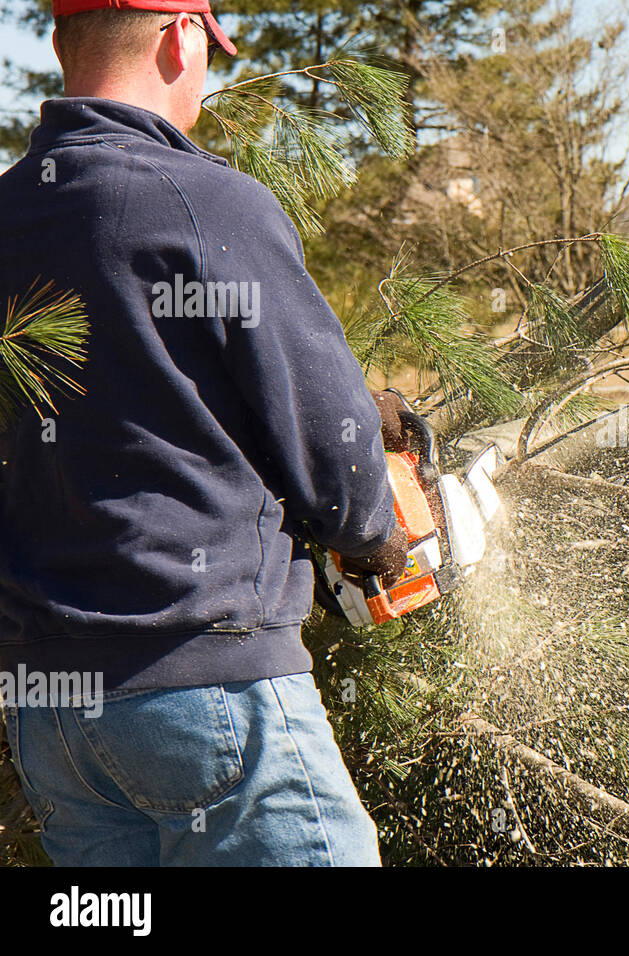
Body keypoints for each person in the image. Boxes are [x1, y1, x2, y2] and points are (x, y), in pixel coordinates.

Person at [0, 0, 412, 866]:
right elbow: (333, 446)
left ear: (59, 42)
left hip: (52, 712)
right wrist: (377, 537)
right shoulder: (203, 201)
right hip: (209, 689)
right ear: (184, 35)